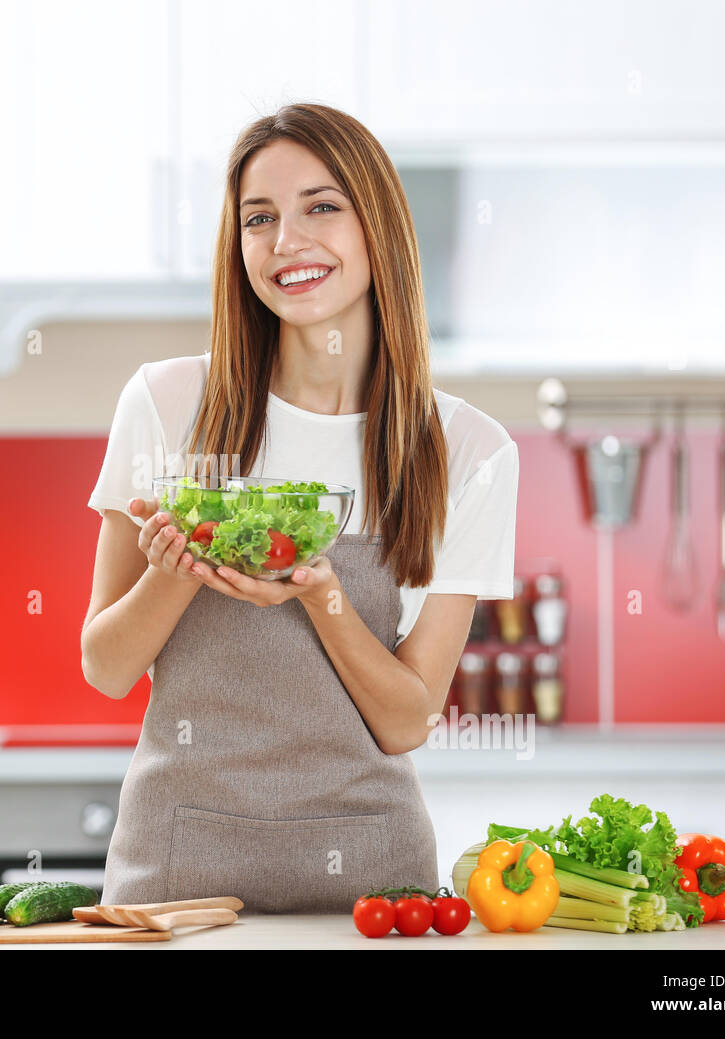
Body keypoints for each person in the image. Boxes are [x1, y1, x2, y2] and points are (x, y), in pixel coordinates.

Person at [81, 103, 519, 913]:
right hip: (178, 876)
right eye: (259, 218)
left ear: (378, 226)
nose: (287, 240)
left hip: (372, 885)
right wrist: (180, 567)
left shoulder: (470, 451)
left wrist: (323, 597)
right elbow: (105, 667)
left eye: (321, 206)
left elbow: (408, 722)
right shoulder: (166, 401)